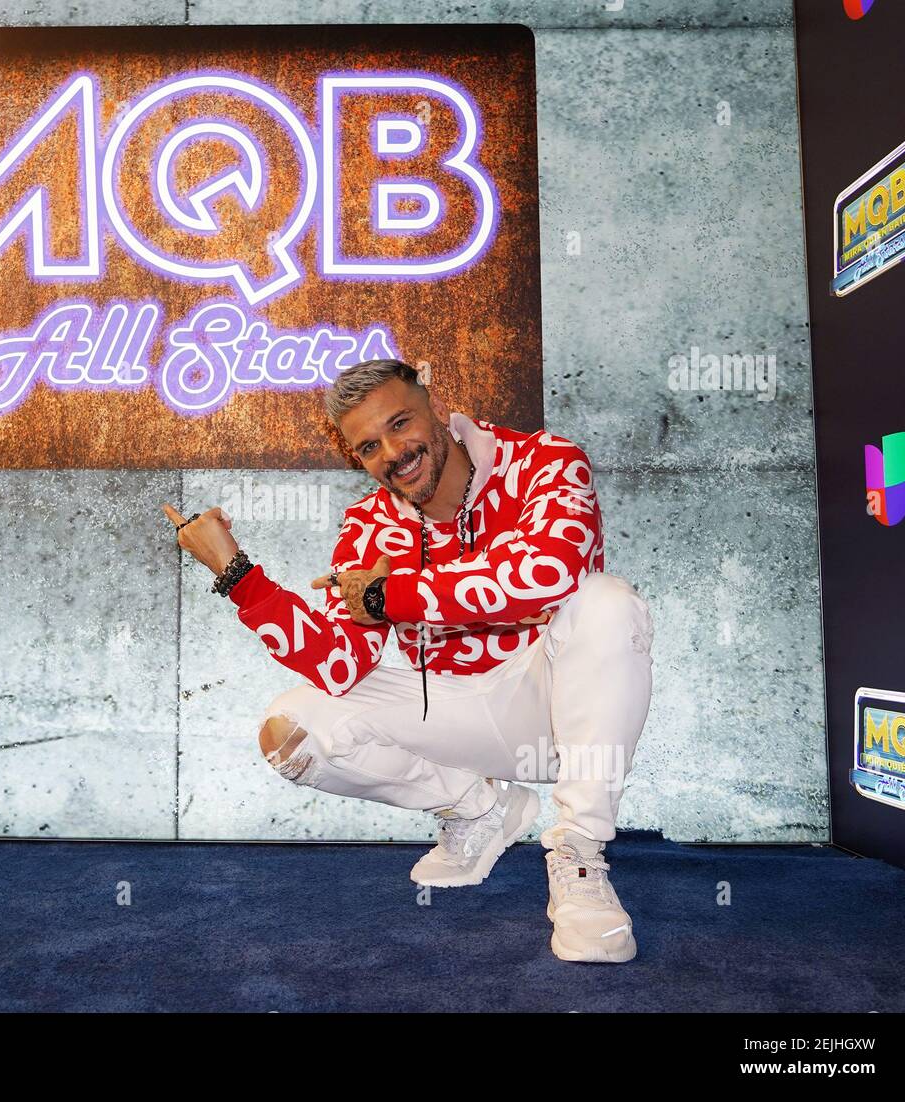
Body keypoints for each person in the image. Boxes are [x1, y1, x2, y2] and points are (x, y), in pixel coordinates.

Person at [162, 359, 654, 963]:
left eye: (401, 424)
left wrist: (390, 594)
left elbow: (550, 574)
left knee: (607, 602)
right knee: (293, 731)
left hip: (559, 703)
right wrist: (236, 574)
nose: (394, 452)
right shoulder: (368, 525)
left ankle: (579, 857)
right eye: (370, 446)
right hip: (453, 712)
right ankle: (480, 809)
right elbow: (341, 664)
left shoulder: (544, 461)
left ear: (433, 404)